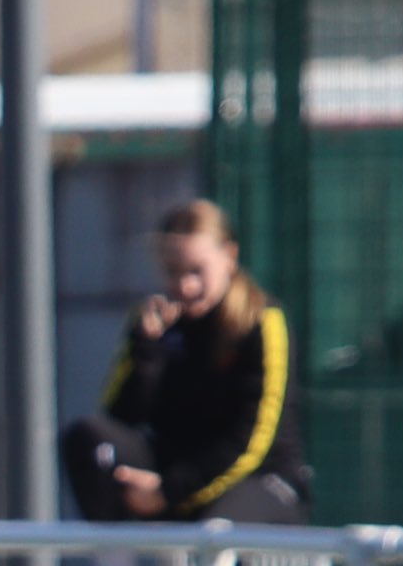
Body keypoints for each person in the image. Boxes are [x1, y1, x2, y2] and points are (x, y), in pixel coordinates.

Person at [59, 199, 303, 527]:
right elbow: (119, 418)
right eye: (174, 271)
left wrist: (170, 491)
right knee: (88, 439)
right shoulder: (155, 323)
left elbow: (250, 441)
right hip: (174, 478)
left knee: (218, 530)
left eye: (197, 271)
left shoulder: (261, 322)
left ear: (229, 257)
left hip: (255, 481)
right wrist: (146, 352)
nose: (186, 286)